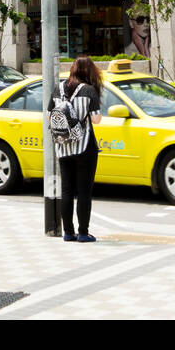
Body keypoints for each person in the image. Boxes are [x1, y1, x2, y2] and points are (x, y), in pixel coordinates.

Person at [48, 56, 102, 243]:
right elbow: (96, 120)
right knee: (84, 191)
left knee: (67, 190)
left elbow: (49, 117)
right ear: (90, 71)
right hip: (84, 147)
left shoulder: (58, 89)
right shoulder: (89, 90)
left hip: (62, 147)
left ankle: (68, 233)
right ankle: (83, 233)